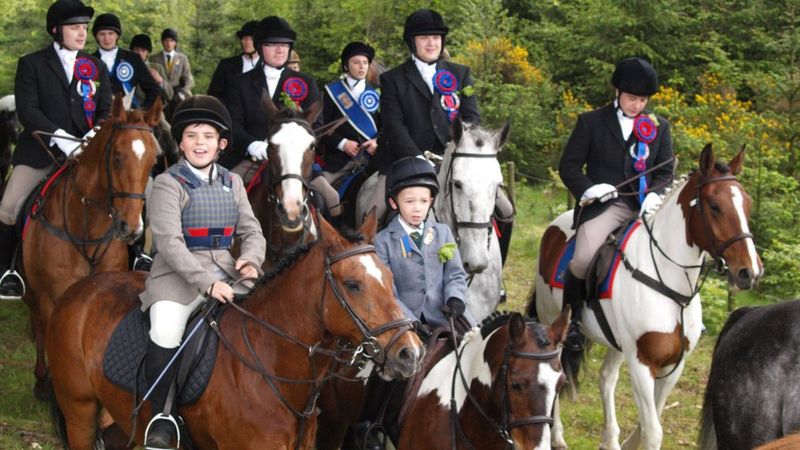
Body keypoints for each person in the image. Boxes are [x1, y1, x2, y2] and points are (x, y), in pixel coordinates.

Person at [138, 95, 266, 448]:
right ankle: (161, 416)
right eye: (192, 135)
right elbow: (169, 243)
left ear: (221, 144)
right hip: (176, 278)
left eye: (208, 136)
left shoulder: (233, 182)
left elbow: (252, 231)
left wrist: (252, 260)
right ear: (180, 142)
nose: (200, 143)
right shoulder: (167, 183)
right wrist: (207, 283)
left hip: (228, 271)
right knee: (166, 328)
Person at [355, 156, 472, 450]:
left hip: (445, 317)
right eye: (410, 201)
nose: (417, 208)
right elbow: (387, 291)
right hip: (402, 321)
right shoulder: (384, 241)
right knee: (390, 369)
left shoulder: (442, 234)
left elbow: (455, 273)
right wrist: (408, 319)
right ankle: (370, 423)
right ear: (394, 203)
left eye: (423, 200)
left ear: (432, 200)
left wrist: (456, 297)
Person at [558, 57, 674, 350]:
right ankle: (570, 322)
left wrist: (655, 196)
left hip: (647, 207)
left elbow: (664, 171)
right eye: (632, 98)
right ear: (618, 92)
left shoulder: (659, 127)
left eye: (643, 100)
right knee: (583, 259)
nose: (637, 105)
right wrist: (591, 189)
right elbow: (569, 166)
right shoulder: (591, 122)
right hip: (606, 206)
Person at [373, 8, 514, 248]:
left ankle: (496, 275)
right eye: (425, 38)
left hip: (455, 160)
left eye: (436, 37)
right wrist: (418, 158)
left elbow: (471, 119)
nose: (432, 43)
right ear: (412, 42)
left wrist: (458, 154)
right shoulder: (393, 79)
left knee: (505, 210)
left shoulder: (460, 74)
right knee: (374, 212)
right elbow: (394, 125)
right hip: (406, 160)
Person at [0, 0, 112, 300]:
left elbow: (106, 110)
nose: (81, 34)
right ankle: (8, 271)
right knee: (9, 206)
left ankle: (136, 255)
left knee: (121, 197)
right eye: (74, 28)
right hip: (41, 151)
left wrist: (92, 136)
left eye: (84, 28)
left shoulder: (96, 66)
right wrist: (60, 138)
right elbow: (28, 110)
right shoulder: (32, 63)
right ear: (55, 30)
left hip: (86, 154)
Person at [225, 16, 339, 221]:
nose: (280, 50)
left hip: (294, 162)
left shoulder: (305, 82)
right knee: (224, 195)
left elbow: (317, 125)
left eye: (285, 45)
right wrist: (253, 146)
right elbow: (233, 124)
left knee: (331, 197)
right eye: (272, 44)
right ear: (260, 47)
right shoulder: (239, 83)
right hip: (251, 159)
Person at [316, 42, 380, 218]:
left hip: (372, 159)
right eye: (356, 62)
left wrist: (377, 142)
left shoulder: (378, 94)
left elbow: (388, 127)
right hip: (339, 161)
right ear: (346, 65)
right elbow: (319, 128)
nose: (361, 67)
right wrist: (342, 144)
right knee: (317, 195)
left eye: (365, 63)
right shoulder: (331, 92)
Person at [91, 12, 159, 109]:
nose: (107, 38)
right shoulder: (88, 61)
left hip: (127, 115)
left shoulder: (133, 58)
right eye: (102, 34)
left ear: (117, 35)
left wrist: (143, 111)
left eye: (111, 33)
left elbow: (153, 89)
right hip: (98, 116)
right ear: (96, 36)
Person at [207, 20, 259, 101]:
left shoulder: (267, 66)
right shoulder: (226, 65)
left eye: (252, 39)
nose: (247, 42)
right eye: (244, 38)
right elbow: (214, 94)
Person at [150, 28, 194, 102]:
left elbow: (188, 79)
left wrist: (184, 90)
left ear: (175, 43)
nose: (169, 43)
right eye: (166, 40)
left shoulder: (182, 58)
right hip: (160, 93)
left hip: (178, 94)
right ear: (162, 42)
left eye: (171, 41)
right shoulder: (154, 58)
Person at [130, 33, 172, 103]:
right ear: (132, 51)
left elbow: (169, 95)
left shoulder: (157, 68)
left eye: (143, 50)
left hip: (151, 109)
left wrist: (160, 80)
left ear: (147, 53)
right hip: (128, 109)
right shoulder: (125, 68)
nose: (139, 53)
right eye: (137, 50)